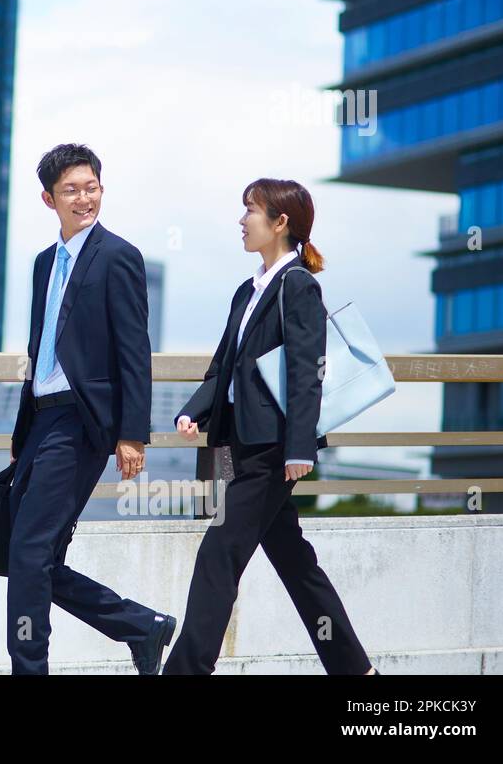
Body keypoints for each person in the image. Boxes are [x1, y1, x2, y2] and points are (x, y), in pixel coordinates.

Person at [162, 178, 378, 675]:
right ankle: (356, 671)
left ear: (280, 223)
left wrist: (299, 447)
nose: (242, 221)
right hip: (239, 441)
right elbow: (222, 367)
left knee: (218, 556)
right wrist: (193, 410)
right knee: (296, 564)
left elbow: (308, 371)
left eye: (251, 212)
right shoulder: (249, 289)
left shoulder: (298, 284)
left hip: (272, 449)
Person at [7, 143, 176, 675]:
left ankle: (29, 670)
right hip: (42, 419)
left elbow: (134, 350)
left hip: (83, 423)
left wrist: (133, 433)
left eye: (92, 187)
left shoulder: (118, 256)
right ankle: (139, 626)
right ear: (48, 199)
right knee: (33, 555)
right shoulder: (43, 264)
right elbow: (40, 349)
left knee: (29, 551)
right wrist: (22, 429)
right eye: (71, 191)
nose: (84, 198)